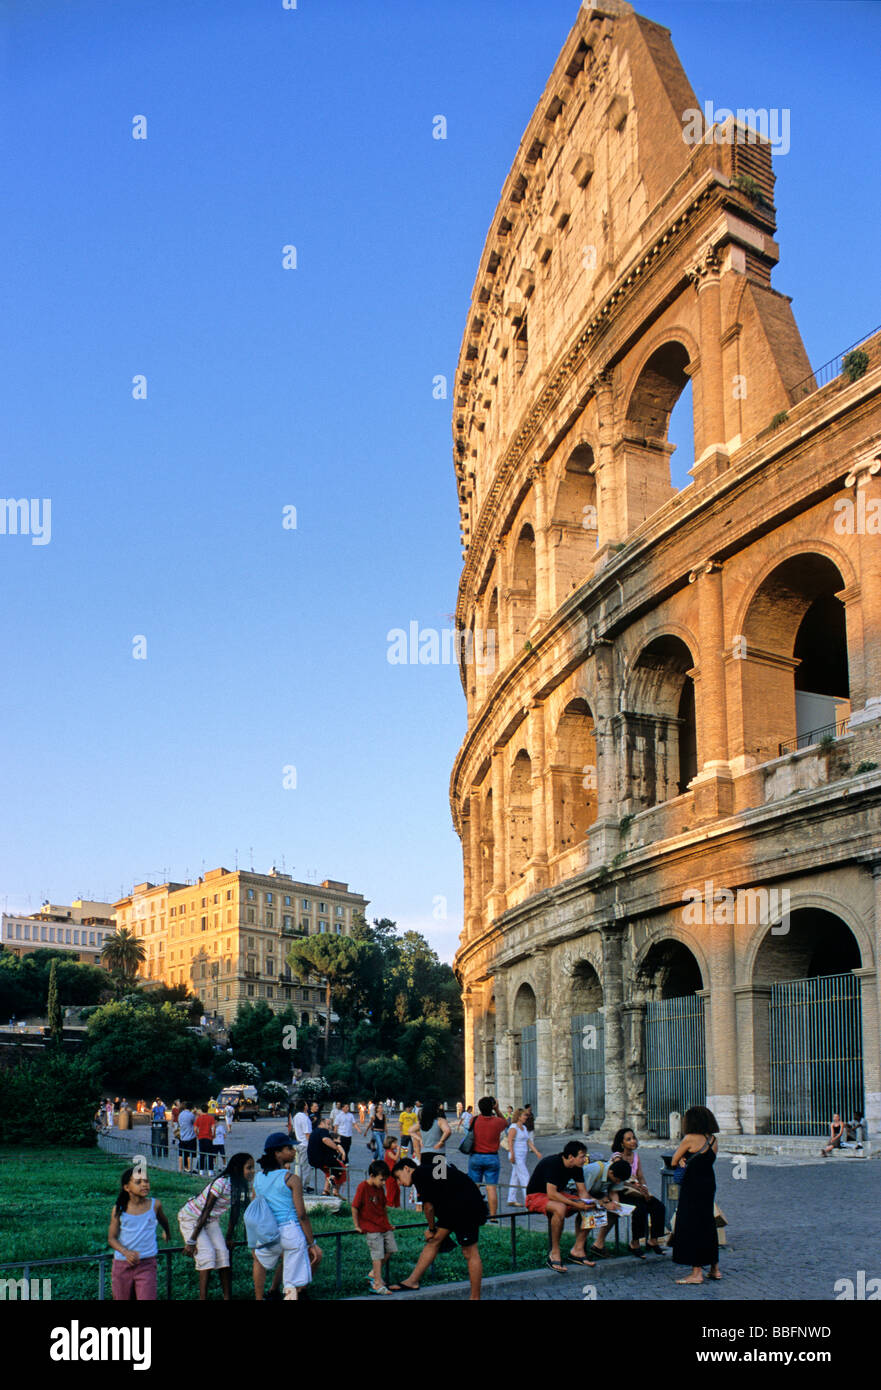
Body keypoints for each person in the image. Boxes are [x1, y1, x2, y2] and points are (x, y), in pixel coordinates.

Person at [389, 1156, 487, 1300]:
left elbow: (428, 1208)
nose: (399, 1183)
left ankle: (475, 1297)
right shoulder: (426, 1171)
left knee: (470, 1252)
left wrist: (431, 1229)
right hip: (454, 1207)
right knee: (434, 1241)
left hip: (466, 1207)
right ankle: (412, 1281)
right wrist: (434, 1230)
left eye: (398, 1178)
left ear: (406, 1169)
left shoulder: (418, 1174)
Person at [525, 1141, 620, 1273]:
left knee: (591, 1206)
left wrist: (596, 1203)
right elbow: (552, 1193)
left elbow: (583, 1192)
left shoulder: (576, 1167)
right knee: (560, 1208)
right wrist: (576, 1204)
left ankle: (578, 1249)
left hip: (557, 1194)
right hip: (536, 1196)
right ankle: (554, 1252)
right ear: (570, 1157)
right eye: (582, 1156)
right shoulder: (553, 1163)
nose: (585, 1159)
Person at [253, 1133, 322, 1301]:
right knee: (292, 1282)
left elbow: (257, 1207)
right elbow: (302, 1215)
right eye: (289, 1148)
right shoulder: (292, 1179)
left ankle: (262, 1295)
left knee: (260, 1263)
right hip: (290, 1231)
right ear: (277, 1153)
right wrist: (311, 1242)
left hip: (267, 1232)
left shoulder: (257, 1178)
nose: (293, 1151)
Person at [177, 1153, 253, 1300]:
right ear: (238, 1169)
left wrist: (229, 1238)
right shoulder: (221, 1183)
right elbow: (206, 1210)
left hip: (210, 1221)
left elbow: (234, 1215)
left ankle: (227, 1297)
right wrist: (191, 1241)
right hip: (191, 1218)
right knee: (207, 1254)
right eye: (249, 1168)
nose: (252, 1171)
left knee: (223, 1254)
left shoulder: (240, 1185)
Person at [593, 1127, 666, 1258]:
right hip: (620, 1191)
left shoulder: (636, 1156)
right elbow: (619, 1178)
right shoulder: (617, 1157)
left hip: (636, 1191)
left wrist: (644, 1188)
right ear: (622, 1143)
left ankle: (653, 1240)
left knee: (658, 1206)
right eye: (628, 1139)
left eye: (633, 1138)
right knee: (640, 1209)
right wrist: (636, 1187)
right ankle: (635, 1243)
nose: (633, 1141)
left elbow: (640, 1175)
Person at [670, 1105, 721, 1285]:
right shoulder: (713, 1139)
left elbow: (674, 1160)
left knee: (692, 1225)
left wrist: (682, 1159)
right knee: (708, 1224)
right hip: (709, 1184)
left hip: (693, 1186)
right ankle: (715, 1268)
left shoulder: (689, 1138)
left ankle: (696, 1272)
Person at [108, 1166, 171, 1301]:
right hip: (122, 1264)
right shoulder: (119, 1209)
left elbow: (164, 1221)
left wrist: (166, 1232)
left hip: (146, 1263)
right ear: (127, 1187)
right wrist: (126, 1252)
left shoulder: (155, 1205)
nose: (144, 1185)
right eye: (138, 1182)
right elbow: (112, 1238)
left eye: (146, 1181)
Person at [352, 1159, 398, 1294]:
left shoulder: (380, 1189)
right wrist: (357, 1225)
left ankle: (373, 1274)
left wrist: (388, 1223)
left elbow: (383, 1207)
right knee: (377, 1255)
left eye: (385, 1180)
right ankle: (377, 1283)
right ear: (372, 1176)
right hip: (371, 1226)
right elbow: (354, 1207)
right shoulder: (363, 1187)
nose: (383, 1183)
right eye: (381, 1180)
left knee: (390, 1249)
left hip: (382, 1224)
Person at [466, 1096, 509, 1222]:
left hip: (476, 1156)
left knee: (474, 1187)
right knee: (491, 1188)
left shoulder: (474, 1120)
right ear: (492, 1107)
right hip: (492, 1156)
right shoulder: (497, 1122)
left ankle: (473, 1213)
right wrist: (498, 1109)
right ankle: (493, 1216)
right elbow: (505, 1123)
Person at [506, 1107, 541, 1207]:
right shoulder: (513, 1127)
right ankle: (529, 1200)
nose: (526, 1117)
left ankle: (511, 1198)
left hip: (522, 1154)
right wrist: (512, 1154)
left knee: (515, 1176)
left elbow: (528, 1141)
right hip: (516, 1155)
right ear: (519, 1116)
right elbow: (510, 1141)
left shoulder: (524, 1128)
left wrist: (536, 1151)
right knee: (525, 1176)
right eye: (524, 1115)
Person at [307, 1111, 347, 1196]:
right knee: (340, 1168)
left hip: (312, 1159)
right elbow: (325, 1140)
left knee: (329, 1171)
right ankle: (335, 1188)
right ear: (321, 1123)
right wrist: (336, 1148)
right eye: (328, 1124)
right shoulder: (323, 1130)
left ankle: (326, 1191)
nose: (329, 1127)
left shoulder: (314, 1132)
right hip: (322, 1159)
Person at [291, 1099, 312, 1184]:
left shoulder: (296, 1116)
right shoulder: (305, 1118)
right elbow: (307, 1134)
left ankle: (299, 1182)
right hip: (305, 1144)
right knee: (305, 1166)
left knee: (299, 1165)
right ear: (304, 1107)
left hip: (298, 1142)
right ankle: (302, 1184)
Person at [194, 1105, 216, 1172]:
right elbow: (213, 1127)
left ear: (201, 1110)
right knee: (210, 1154)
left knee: (201, 1154)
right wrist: (213, 1135)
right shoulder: (211, 1118)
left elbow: (195, 1129)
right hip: (208, 1137)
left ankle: (201, 1170)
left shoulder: (199, 1118)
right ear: (208, 1110)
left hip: (201, 1137)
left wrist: (197, 1135)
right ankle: (210, 1171)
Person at [176, 1101, 197, 1172]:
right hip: (191, 1137)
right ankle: (189, 1168)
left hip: (182, 1136)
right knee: (190, 1154)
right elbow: (195, 1123)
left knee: (181, 1154)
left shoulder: (180, 1114)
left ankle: (180, 1168)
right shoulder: (191, 1115)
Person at [383, 1135, 401, 1208]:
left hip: (393, 1174)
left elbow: (397, 1158)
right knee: (391, 1191)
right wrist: (399, 1150)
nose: (396, 1144)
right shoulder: (389, 1152)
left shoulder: (392, 1151)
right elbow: (395, 1158)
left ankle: (397, 1205)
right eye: (394, 1143)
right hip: (390, 1174)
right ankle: (389, 1205)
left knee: (397, 1190)